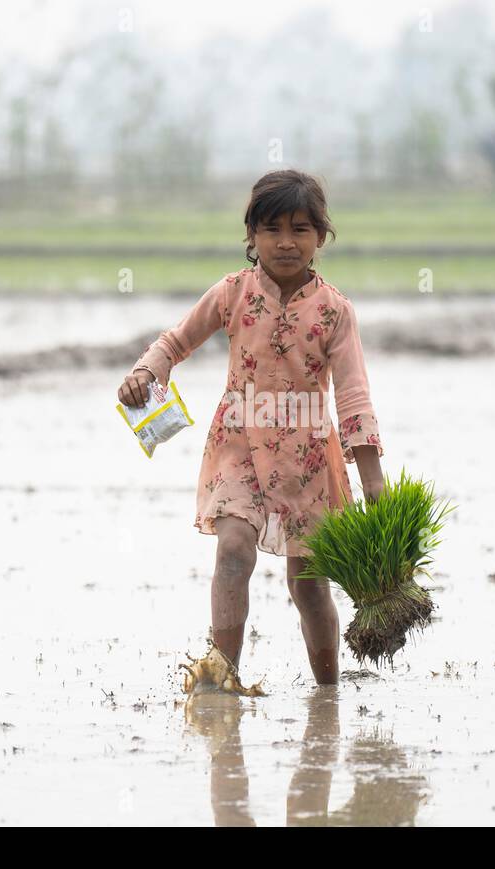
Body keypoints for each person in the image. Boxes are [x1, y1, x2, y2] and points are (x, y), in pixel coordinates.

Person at [117, 170, 384, 685]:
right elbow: (176, 342)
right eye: (272, 229)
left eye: (301, 229)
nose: (286, 242)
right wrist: (146, 372)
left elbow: (352, 396)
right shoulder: (232, 294)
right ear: (251, 235)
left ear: (321, 238)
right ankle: (223, 679)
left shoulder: (335, 312)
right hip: (239, 443)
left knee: (308, 584)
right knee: (233, 547)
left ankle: (327, 691)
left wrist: (372, 477)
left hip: (307, 457)